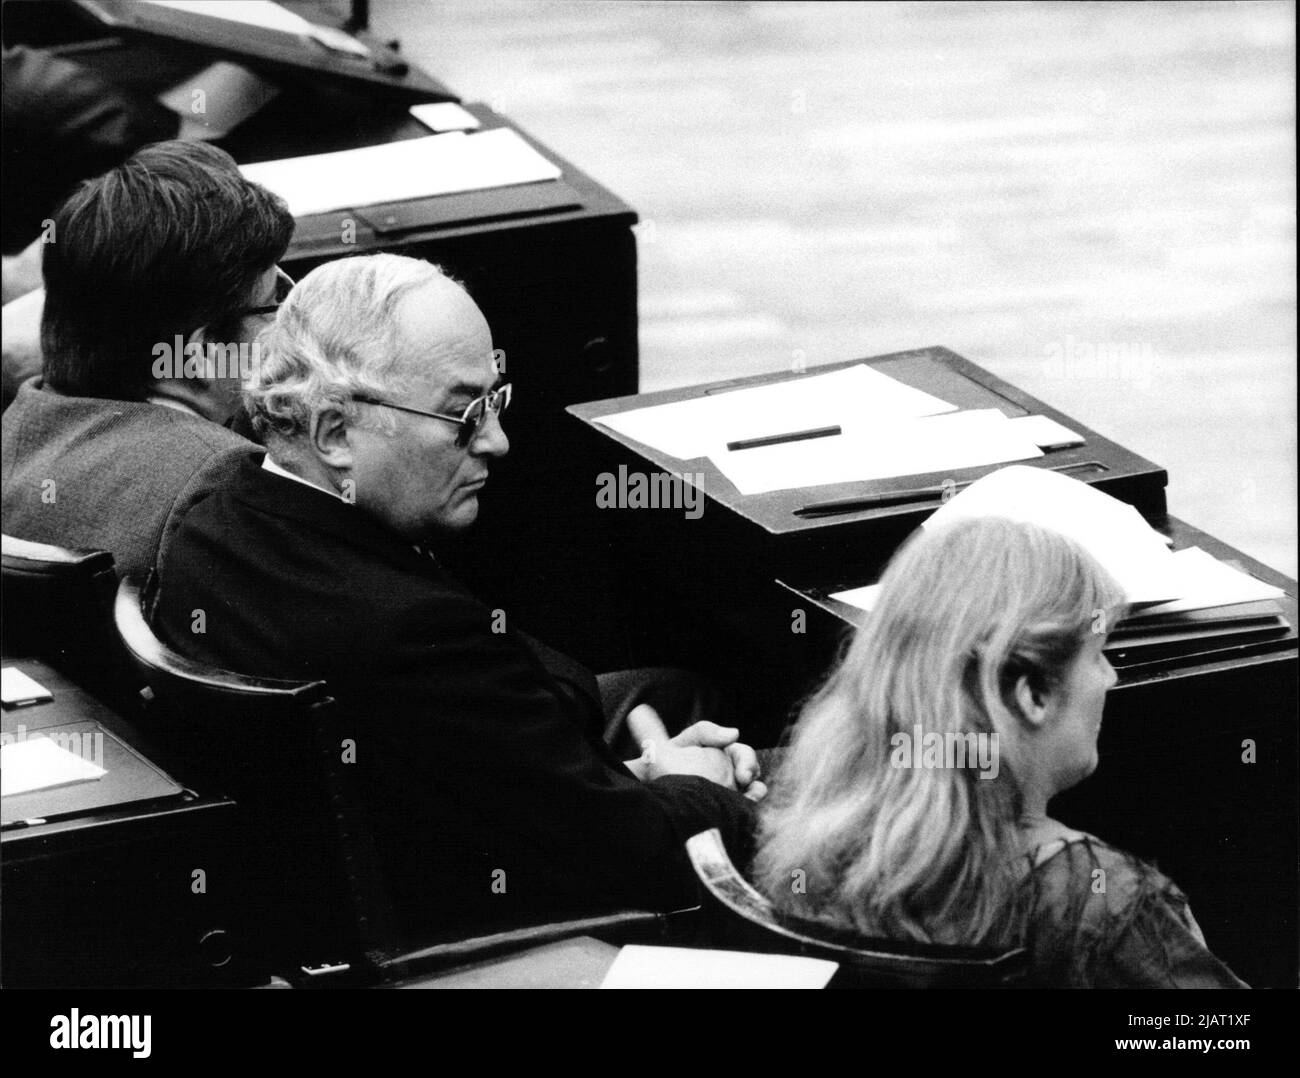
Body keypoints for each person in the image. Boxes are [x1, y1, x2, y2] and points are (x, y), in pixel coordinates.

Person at [150, 253, 764, 931]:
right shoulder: (414, 635)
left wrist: (633, 775)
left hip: (413, 847)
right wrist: (695, 789)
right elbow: (631, 853)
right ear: (333, 432)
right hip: (488, 928)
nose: (497, 442)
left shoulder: (213, 513)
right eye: (464, 414)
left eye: (494, 401)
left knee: (677, 697)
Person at [753, 515, 1247, 988]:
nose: (1110, 677)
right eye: (1098, 654)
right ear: (1032, 695)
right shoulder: (1096, 907)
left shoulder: (806, 845)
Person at [1, 140, 294, 581]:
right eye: (275, 301)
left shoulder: (20, 424)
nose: (289, 316)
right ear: (203, 352)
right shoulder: (221, 483)